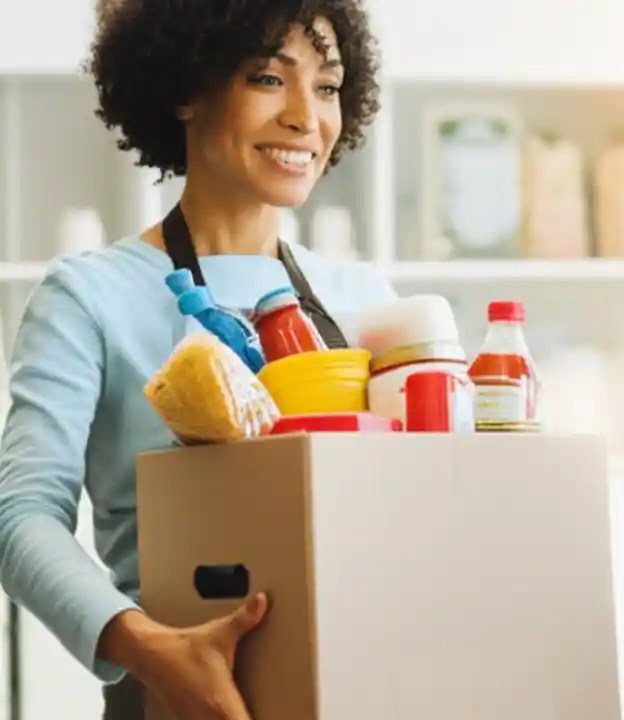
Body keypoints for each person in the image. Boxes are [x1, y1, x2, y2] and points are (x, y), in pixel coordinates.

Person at [0, 2, 392, 719]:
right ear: (183, 90)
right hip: (172, 697)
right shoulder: (89, 295)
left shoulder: (367, 299)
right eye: (269, 79)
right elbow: (21, 518)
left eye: (328, 86)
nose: (308, 117)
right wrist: (150, 649)